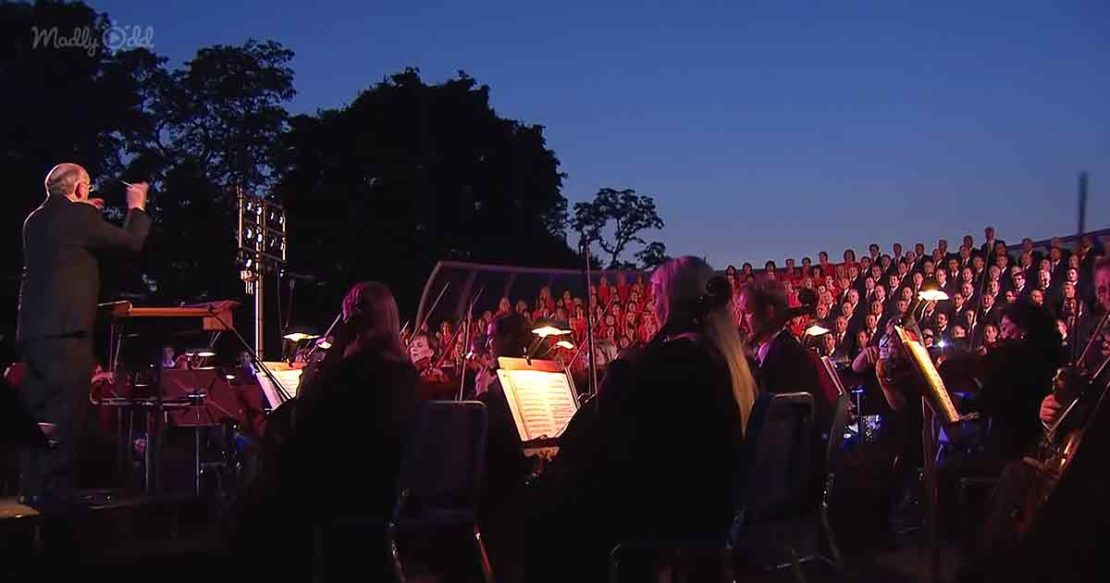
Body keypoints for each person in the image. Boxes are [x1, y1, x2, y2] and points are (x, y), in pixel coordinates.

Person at [520, 256, 756, 581]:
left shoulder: (676, 360)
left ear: (675, 303)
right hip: (708, 505)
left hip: (676, 511)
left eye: (657, 295)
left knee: (542, 512)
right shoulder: (719, 357)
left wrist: (621, 369)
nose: (653, 305)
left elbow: (602, 429)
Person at [16, 164, 150, 509]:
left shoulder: (35, 219)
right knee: (65, 410)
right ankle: (54, 492)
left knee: (37, 410)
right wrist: (136, 206)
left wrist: (84, 210)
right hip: (67, 330)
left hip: (34, 331)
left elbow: (67, 232)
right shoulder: (79, 218)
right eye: (87, 187)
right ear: (77, 189)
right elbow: (132, 242)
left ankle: (31, 485)